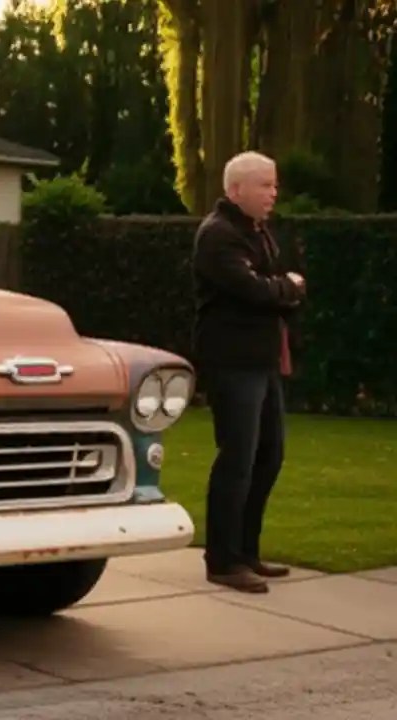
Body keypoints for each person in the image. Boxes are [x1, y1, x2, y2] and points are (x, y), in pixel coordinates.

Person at [191, 151, 306, 594]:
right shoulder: (218, 236)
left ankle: (246, 551)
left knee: (268, 455)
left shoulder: (258, 234)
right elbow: (255, 290)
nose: (273, 193)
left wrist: (280, 289)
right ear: (235, 189)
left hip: (262, 361)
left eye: (274, 185)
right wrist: (287, 288)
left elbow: (269, 286)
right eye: (264, 185)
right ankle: (222, 559)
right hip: (232, 361)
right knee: (237, 458)